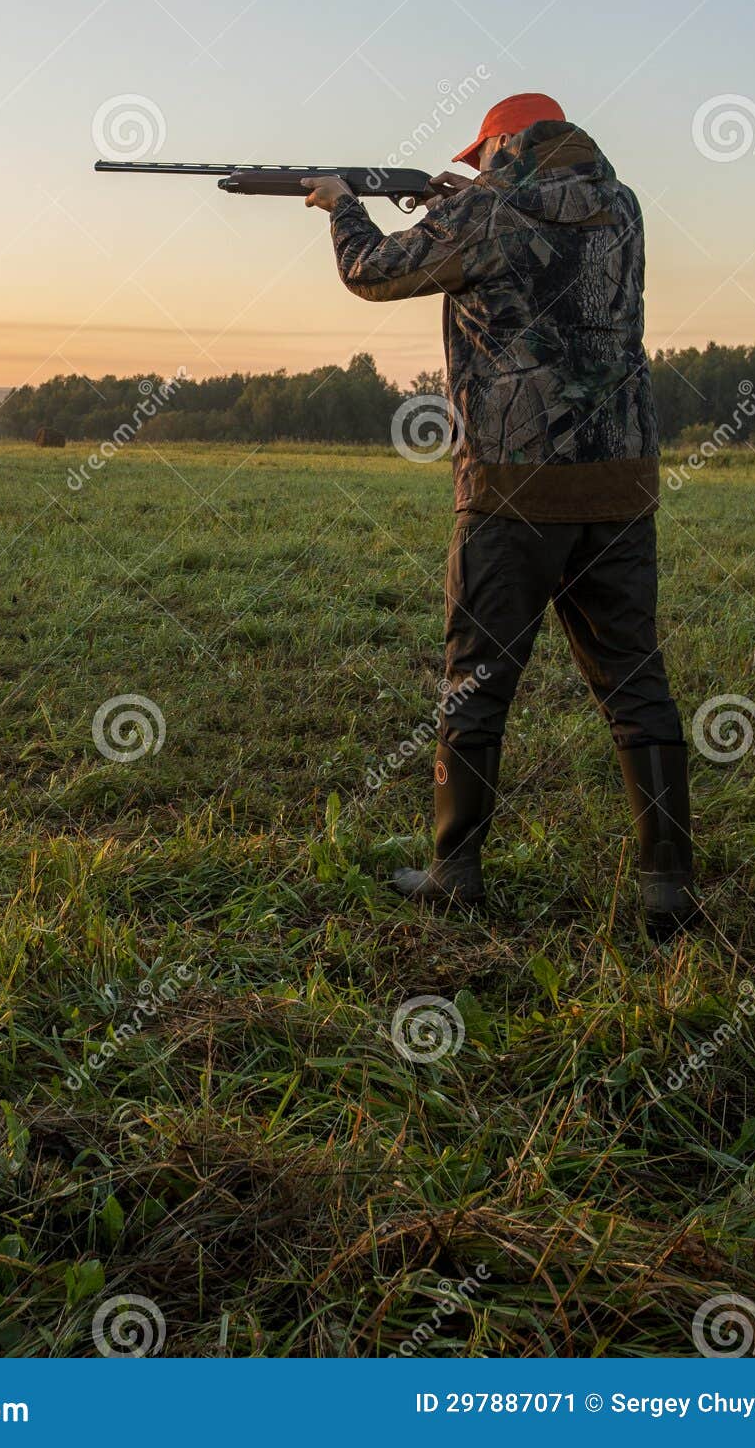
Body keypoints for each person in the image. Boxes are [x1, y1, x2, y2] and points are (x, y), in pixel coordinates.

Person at [302, 92, 697, 937]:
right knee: (636, 685)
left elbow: (370, 271)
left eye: (481, 155)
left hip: (514, 492)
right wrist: (460, 201)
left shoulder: (487, 207)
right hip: (619, 484)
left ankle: (455, 873)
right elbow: (540, 260)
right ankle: (668, 888)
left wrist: (342, 203)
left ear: (500, 145)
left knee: (475, 684)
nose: (476, 167)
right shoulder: (618, 205)